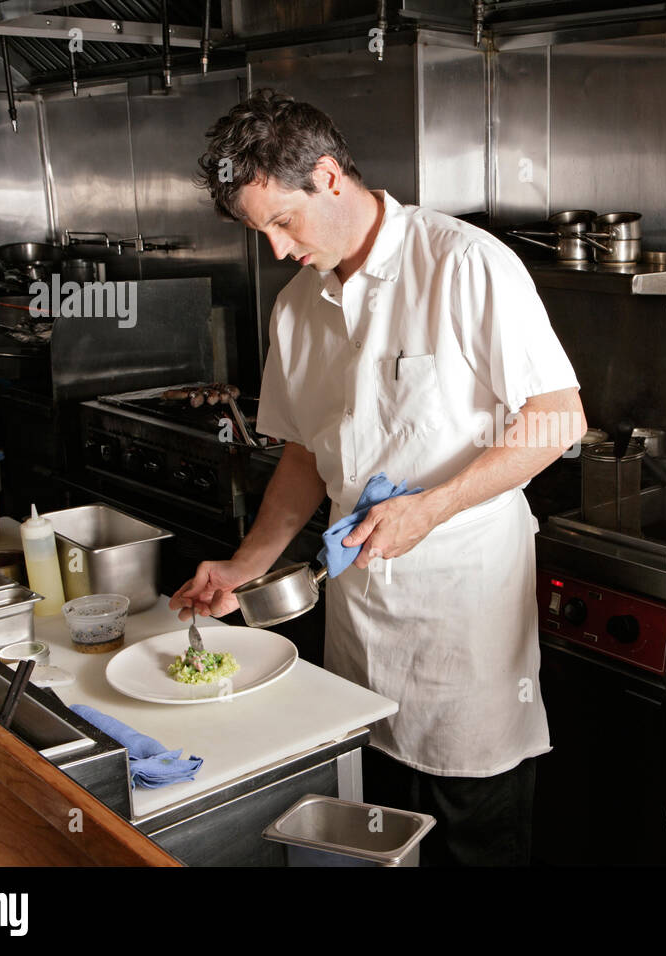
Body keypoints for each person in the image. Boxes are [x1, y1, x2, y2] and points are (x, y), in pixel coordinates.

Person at [173, 89, 586, 865]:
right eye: (260, 233)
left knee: (471, 838)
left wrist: (434, 507)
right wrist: (246, 563)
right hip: (360, 627)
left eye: (282, 222)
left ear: (328, 176)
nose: (278, 251)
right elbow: (303, 453)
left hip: (466, 625)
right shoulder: (298, 307)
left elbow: (559, 417)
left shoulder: (463, 263)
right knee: (376, 838)